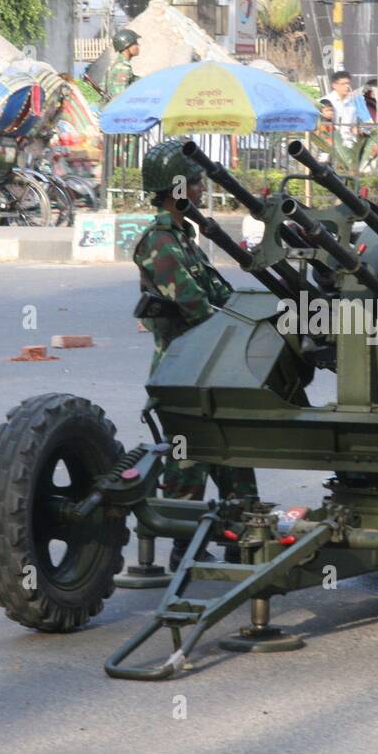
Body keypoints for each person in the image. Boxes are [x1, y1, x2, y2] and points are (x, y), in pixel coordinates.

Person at [133, 139, 259, 569]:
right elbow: (196, 306)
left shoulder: (183, 238)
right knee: (188, 461)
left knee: (235, 452)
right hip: (182, 368)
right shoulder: (158, 242)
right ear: (177, 189)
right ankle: (184, 544)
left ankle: (240, 532)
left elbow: (222, 295)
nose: (203, 190)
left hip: (211, 364)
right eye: (197, 183)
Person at [104, 28, 140, 100]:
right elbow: (120, 97)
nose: (138, 46)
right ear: (126, 46)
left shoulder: (116, 64)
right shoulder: (123, 67)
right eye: (135, 43)